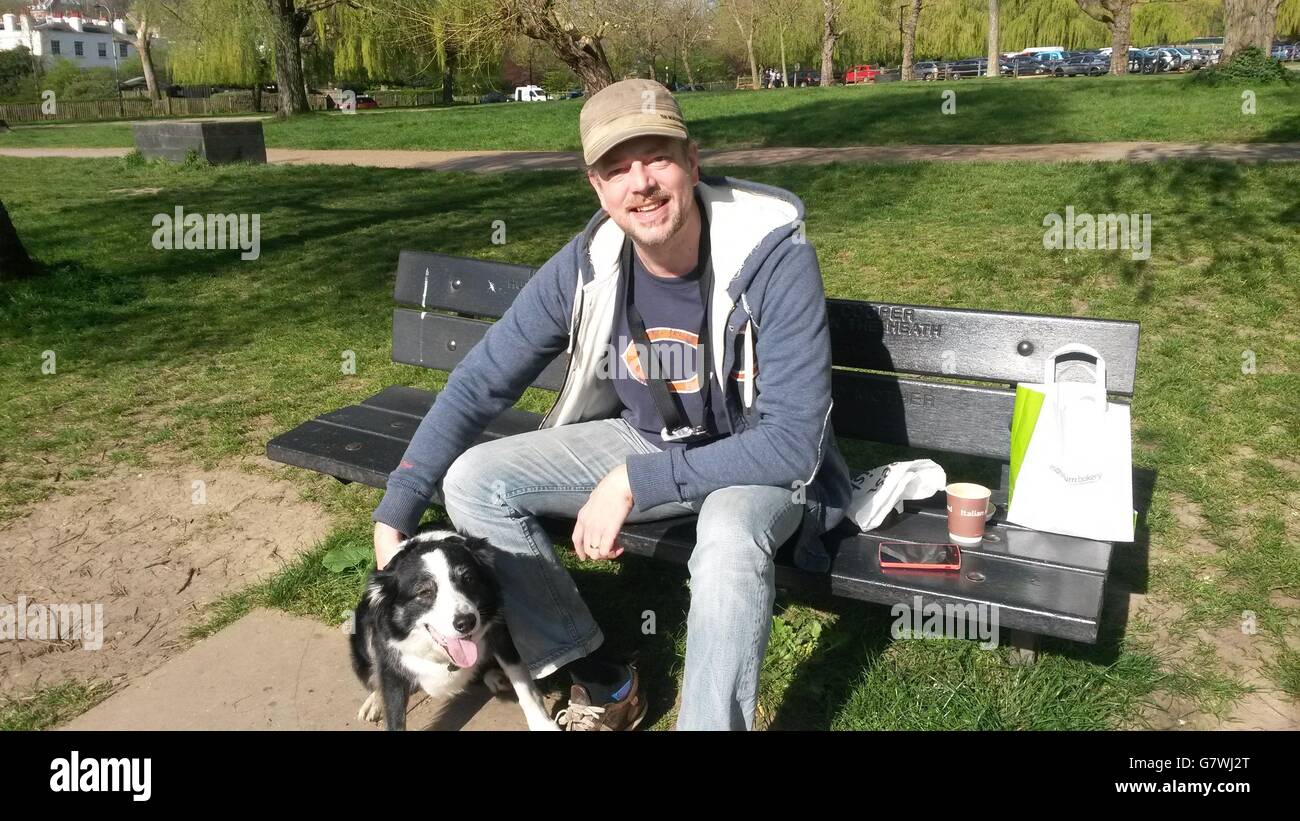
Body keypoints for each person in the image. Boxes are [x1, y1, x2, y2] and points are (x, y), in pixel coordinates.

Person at [371, 78, 851, 730]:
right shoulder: (590, 259)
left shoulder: (772, 253)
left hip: (760, 461)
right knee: (474, 480)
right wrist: (397, 504)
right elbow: (480, 377)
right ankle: (605, 680)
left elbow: (793, 441)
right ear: (597, 187)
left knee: (730, 532)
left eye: (657, 157)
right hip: (652, 439)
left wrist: (634, 480)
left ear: (692, 162)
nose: (641, 183)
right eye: (617, 168)